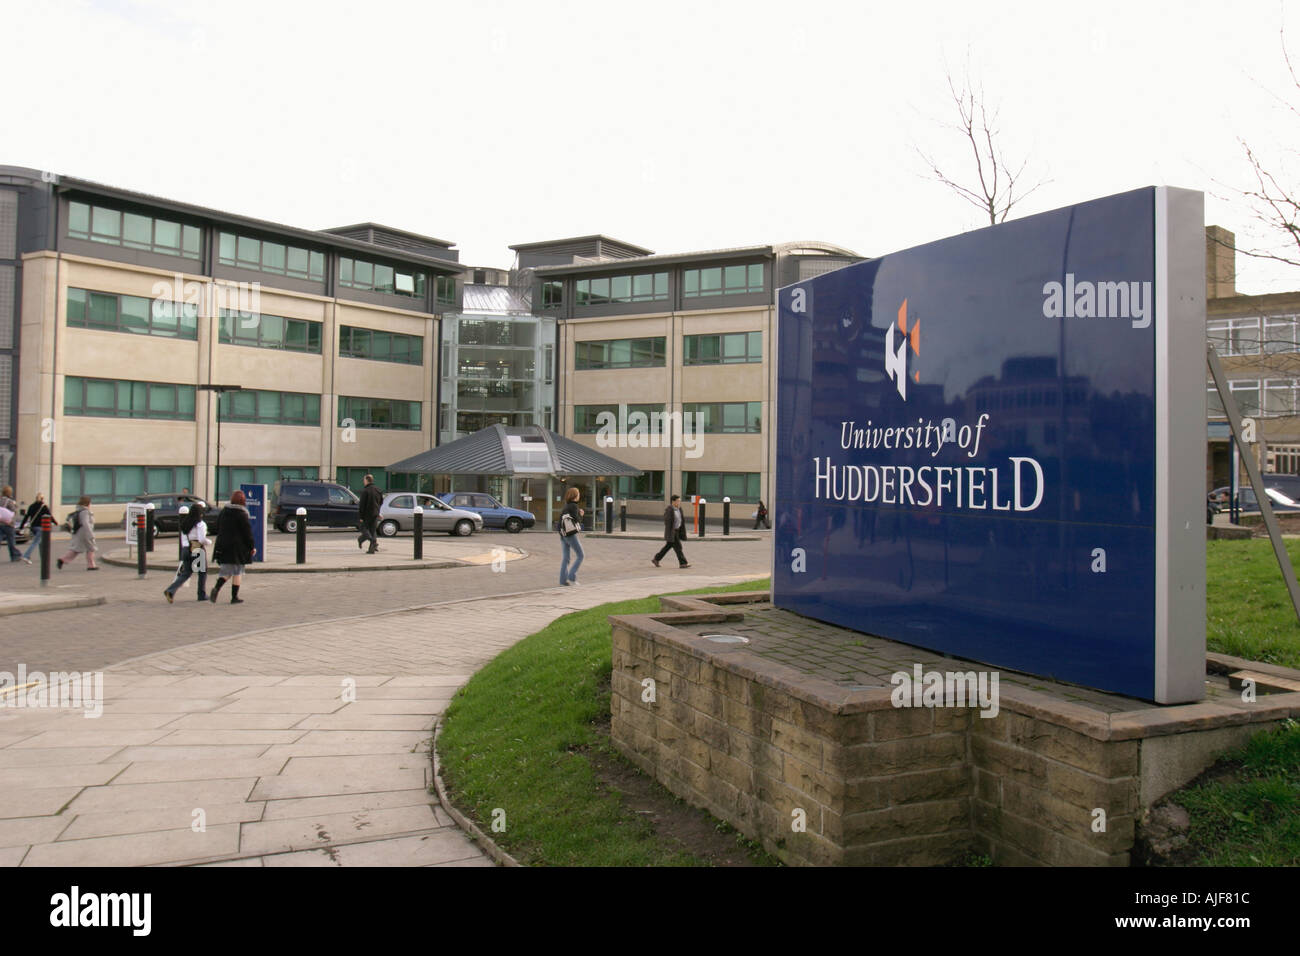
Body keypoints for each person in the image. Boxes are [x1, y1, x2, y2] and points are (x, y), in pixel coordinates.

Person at [210, 490, 255, 604]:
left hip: (223, 545)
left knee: (227, 571)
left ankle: (216, 588)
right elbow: (247, 533)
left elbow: (217, 525)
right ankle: (234, 597)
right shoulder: (242, 514)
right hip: (238, 548)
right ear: (243, 501)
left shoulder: (224, 511)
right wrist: (251, 547)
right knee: (237, 572)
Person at [163, 503, 209, 603]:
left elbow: (183, 539)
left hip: (185, 549)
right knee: (202, 572)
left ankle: (170, 590)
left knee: (186, 573)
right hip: (197, 549)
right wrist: (208, 542)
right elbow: (201, 539)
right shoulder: (200, 524)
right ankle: (201, 594)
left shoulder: (185, 524)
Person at [57, 495, 98, 570]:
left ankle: (62, 559)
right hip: (85, 533)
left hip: (78, 533)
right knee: (91, 548)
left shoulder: (79, 510)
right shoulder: (85, 512)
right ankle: (91, 565)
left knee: (76, 549)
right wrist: (91, 534)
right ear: (87, 503)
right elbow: (86, 523)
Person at [652, 494, 691, 568]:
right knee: (678, 547)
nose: (679, 502)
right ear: (673, 501)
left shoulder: (679, 509)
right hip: (672, 532)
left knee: (668, 546)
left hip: (677, 531)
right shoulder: (669, 509)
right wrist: (671, 531)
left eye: (680, 501)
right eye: (678, 501)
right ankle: (683, 563)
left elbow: (681, 520)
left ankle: (656, 559)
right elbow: (667, 521)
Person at [558, 486, 584, 586]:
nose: (579, 496)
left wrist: (562, 535)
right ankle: (571, 576)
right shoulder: (574, 506)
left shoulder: (566, 506)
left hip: (563, 535)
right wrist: (581, 514)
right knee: (581, 555)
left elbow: (559, 523)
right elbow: (576, 520)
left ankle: (562, 581)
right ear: (575, 496)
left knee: (566, 558)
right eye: (578, 494)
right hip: (570, 535)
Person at [17, 493, 52, 564]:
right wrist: (55, 522)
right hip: (41, 527)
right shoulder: (44, 506)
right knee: (36, 542)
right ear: (42, 499)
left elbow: (26, 516)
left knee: (41, 541)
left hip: (33, 527)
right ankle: (26, 555)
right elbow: (50, 516)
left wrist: (21, 526)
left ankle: (44, 557)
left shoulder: (31, 506)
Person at [357, 474, 383, 554]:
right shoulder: (378, 490)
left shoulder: (366, 491)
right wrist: (378, 511)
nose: (363, 481)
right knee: (373, 530)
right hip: (375, 513)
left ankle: (371, 541)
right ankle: (372, 548)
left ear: (367, 480)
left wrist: (361, 516)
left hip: (366, 514)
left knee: (363, 528)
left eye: (364, 480)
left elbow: (362, 505)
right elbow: (381, 502)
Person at [0, 485, 21, 561]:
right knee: (11, 541)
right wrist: (15, 505)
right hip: (8, 524)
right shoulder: (9, 501)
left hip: (0, 523)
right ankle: (15, 555)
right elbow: (14, 511)